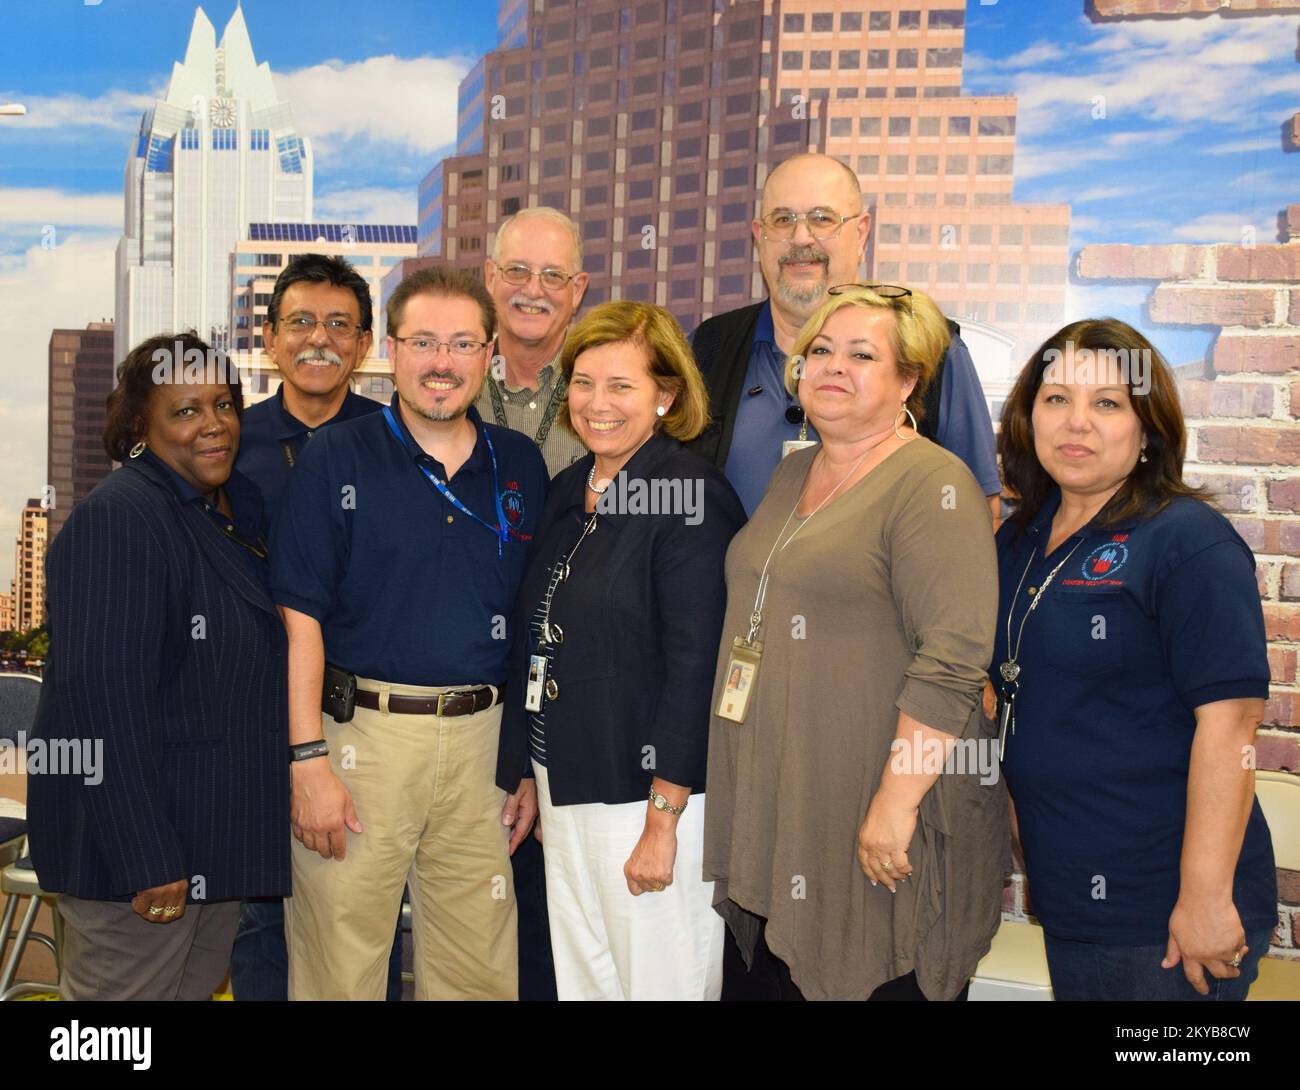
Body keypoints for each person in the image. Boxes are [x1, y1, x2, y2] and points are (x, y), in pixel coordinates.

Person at [703, 284, 1008, 1001]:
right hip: (787, 800)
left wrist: (895, 805)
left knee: (871, 969)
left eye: (862, 355)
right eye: (820, 351)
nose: (833, 367)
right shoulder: (793, 471)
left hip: (872, 811)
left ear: (908, 381)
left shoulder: (934, 483)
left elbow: (953, 662)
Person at [270, 266, 548, 1000]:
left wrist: (522, 761)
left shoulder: (516, 464)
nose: (441, 362)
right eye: (423, 341)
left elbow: (528, 625)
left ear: (489, 354)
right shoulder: (337, 456)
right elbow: (300, 622)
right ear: (390, 349)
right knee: (341, 964)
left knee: (479, 970)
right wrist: (306, 760)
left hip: (483, 745)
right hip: (361, 742)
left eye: (462, 343)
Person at [991, 318, 1276, 1001]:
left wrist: (1204, 899)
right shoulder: (1019, 540)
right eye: (1055, 399)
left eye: (1107, 403)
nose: (1075, 423)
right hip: (1070, 896)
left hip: (1166, 912)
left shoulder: (1187, 543)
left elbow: (1231, 729)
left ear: (1147, 428)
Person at [27, 332, 289, 1000]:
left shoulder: (226, 512)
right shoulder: (120, 518)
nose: (214, 425)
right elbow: (103, 703)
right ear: (141, 425)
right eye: (186, 410)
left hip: (211, 842)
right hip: (141, 861)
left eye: (225, 404)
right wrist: (147, 856)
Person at [497, 301, 745, 1000]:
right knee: (586, 984)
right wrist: (527, 770)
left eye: (621, 386)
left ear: (666, 395)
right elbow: (537, 637)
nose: (595, 404)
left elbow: (699, 669)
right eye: (581, 382)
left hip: (647, 798)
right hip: (566, 782)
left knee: (660, 982)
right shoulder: (569, 489)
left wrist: (662, 821)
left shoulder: (692, 496)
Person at [230, 253, 404, 1001]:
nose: (319, 340)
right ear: (270, 338)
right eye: (300, 322)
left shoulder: (402, 440)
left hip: (370, 718)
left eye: (340, 325)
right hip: (249, 718)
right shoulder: (225, 445)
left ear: (365, 346)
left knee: (368, 918)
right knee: (259, 918)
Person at [688, 152, 1001, 519]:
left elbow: (979, 510)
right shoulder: (707, 348)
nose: (800, 237)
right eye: (783, 219)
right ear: (760, 235)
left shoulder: (931, 347)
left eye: (823, 219)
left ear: (861, 232)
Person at [479, 207, 590, 477]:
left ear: (577, 290)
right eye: (517, 270)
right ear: (491, 277)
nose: (532, 290)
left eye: (553, 275)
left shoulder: (605, 394)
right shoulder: (458, 384)